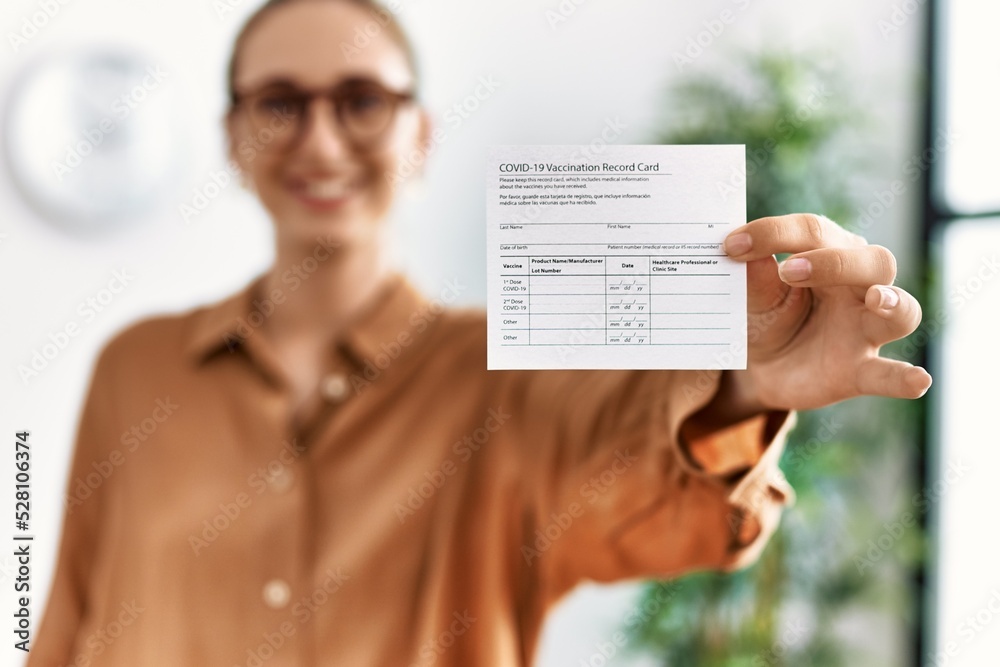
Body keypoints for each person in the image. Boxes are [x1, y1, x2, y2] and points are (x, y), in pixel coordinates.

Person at [28, 0, 931, 665]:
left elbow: (664, 512)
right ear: (234, 137)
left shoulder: (516, 382)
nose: (321, 138)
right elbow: (66, 623)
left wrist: (747, 388)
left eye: (361, 100)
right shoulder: (135, 367)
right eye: (278, 102)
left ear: (419, 136)